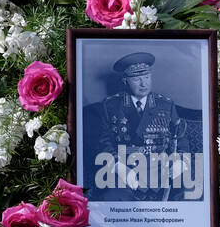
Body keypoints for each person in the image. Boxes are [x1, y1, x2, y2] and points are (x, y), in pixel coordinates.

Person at [84, 51, 199, 201]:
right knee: (114, 199)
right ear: (126, 81)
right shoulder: (111, 105)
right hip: (125, 169)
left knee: (190, 194)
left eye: (146, 77)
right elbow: (103, 142)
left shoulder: (165, 105)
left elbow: (180, 137)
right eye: (137, 79)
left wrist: (181, 161)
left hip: (160, 170)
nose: (143, 84)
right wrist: (118, 166)